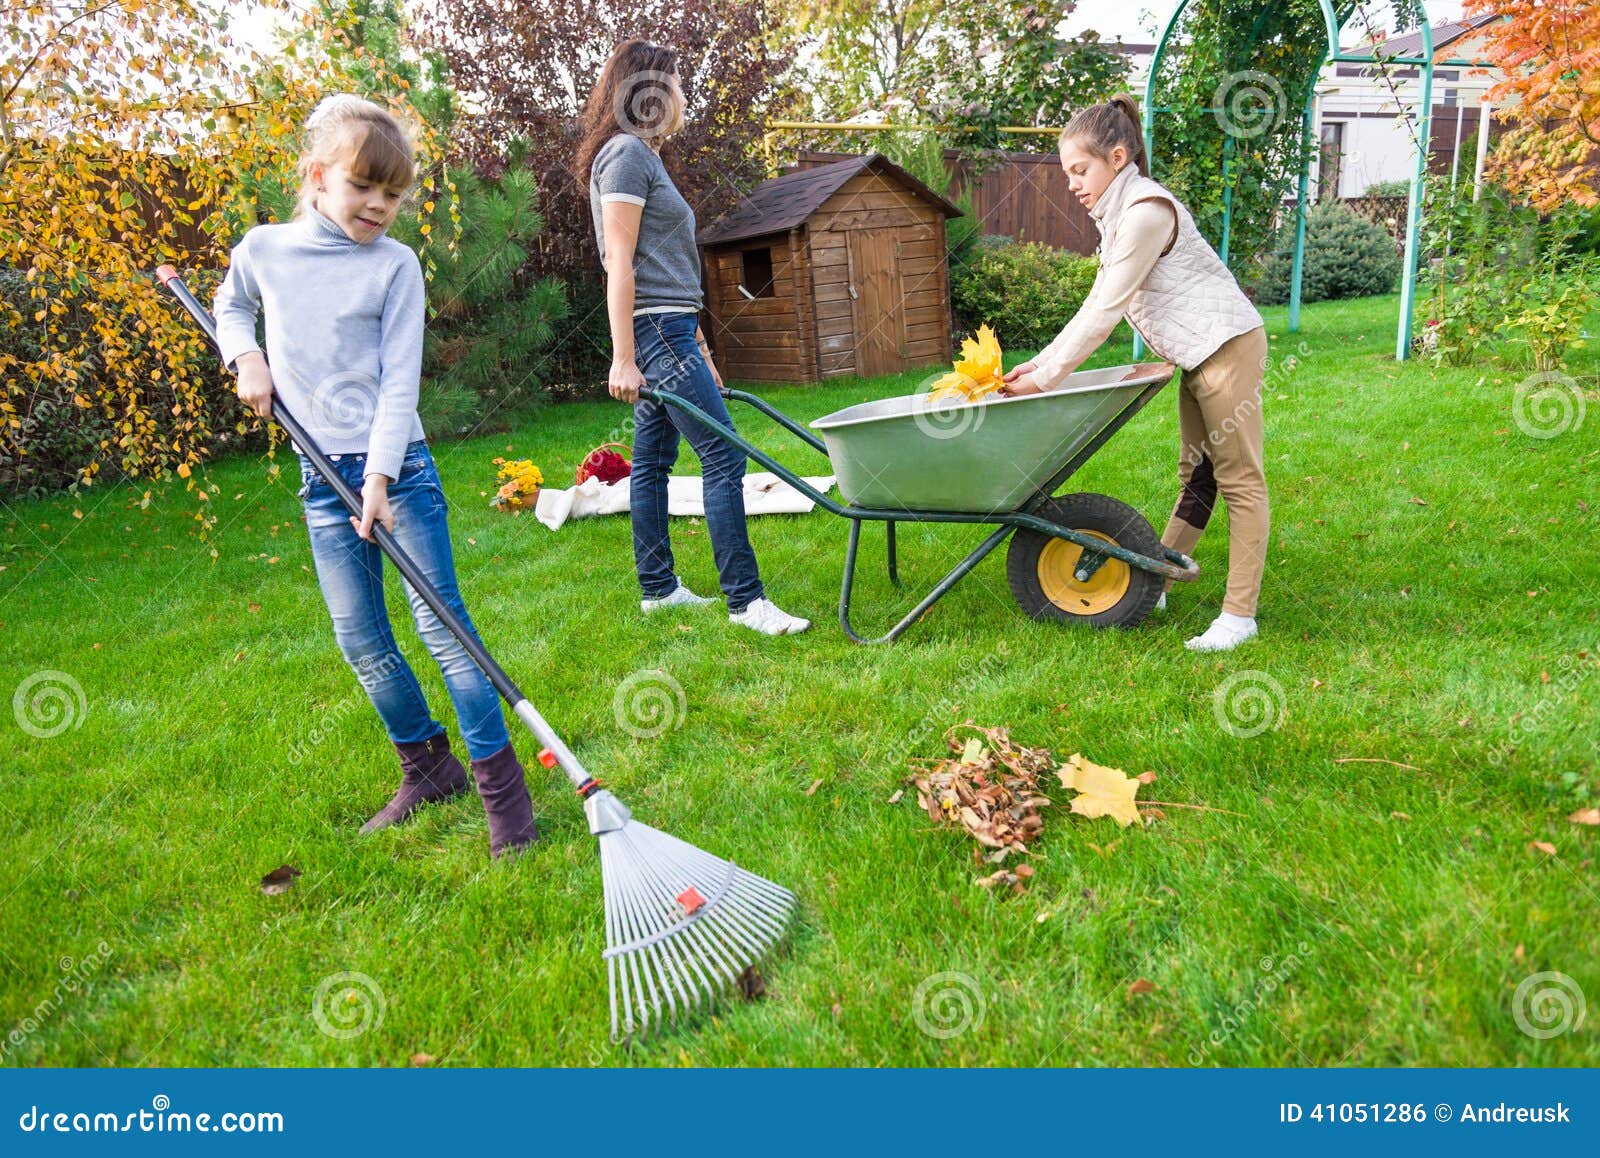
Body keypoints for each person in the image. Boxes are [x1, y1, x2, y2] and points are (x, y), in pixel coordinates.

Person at [212, 94, 539, 856]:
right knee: (361, 638)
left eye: (394, 195)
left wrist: (382, 479)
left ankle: (504, 796)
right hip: (318, 473)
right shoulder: (264, 250)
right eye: (365, 187)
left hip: (398, 470)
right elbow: (231, 306)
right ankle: (426, 768)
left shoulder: (395, 267)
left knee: (444, 628)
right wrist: (246, 355)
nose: (380, 206)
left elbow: (400, 383)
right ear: (318, 176)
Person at [1001, 95, 1269, 653]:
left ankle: (1239, 617)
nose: (1072, 185)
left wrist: (1046, 378)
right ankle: (1157, 576)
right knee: (1197, 473)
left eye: (1081, 170)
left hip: (1228, 346)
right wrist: (1039, 363)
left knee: (1239, 480)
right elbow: (1098, 300)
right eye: (1068, 173)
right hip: (1199, 352)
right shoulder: (1121, 213)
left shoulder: (1146, 211)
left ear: (1118, 157)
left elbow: (1104, 311)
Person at [575, 39, 809, 636]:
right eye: (677, 84)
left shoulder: (641, 157)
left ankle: (658, 590)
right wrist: (624, 358)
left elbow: (670, 268)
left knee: (652, 460)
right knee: (723, 454)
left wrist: (701, 346)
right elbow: (620, 262)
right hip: (653, 330)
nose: (683, 96)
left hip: (670, 326)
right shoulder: (626, 155)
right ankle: (746, 601)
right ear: (651, 92)